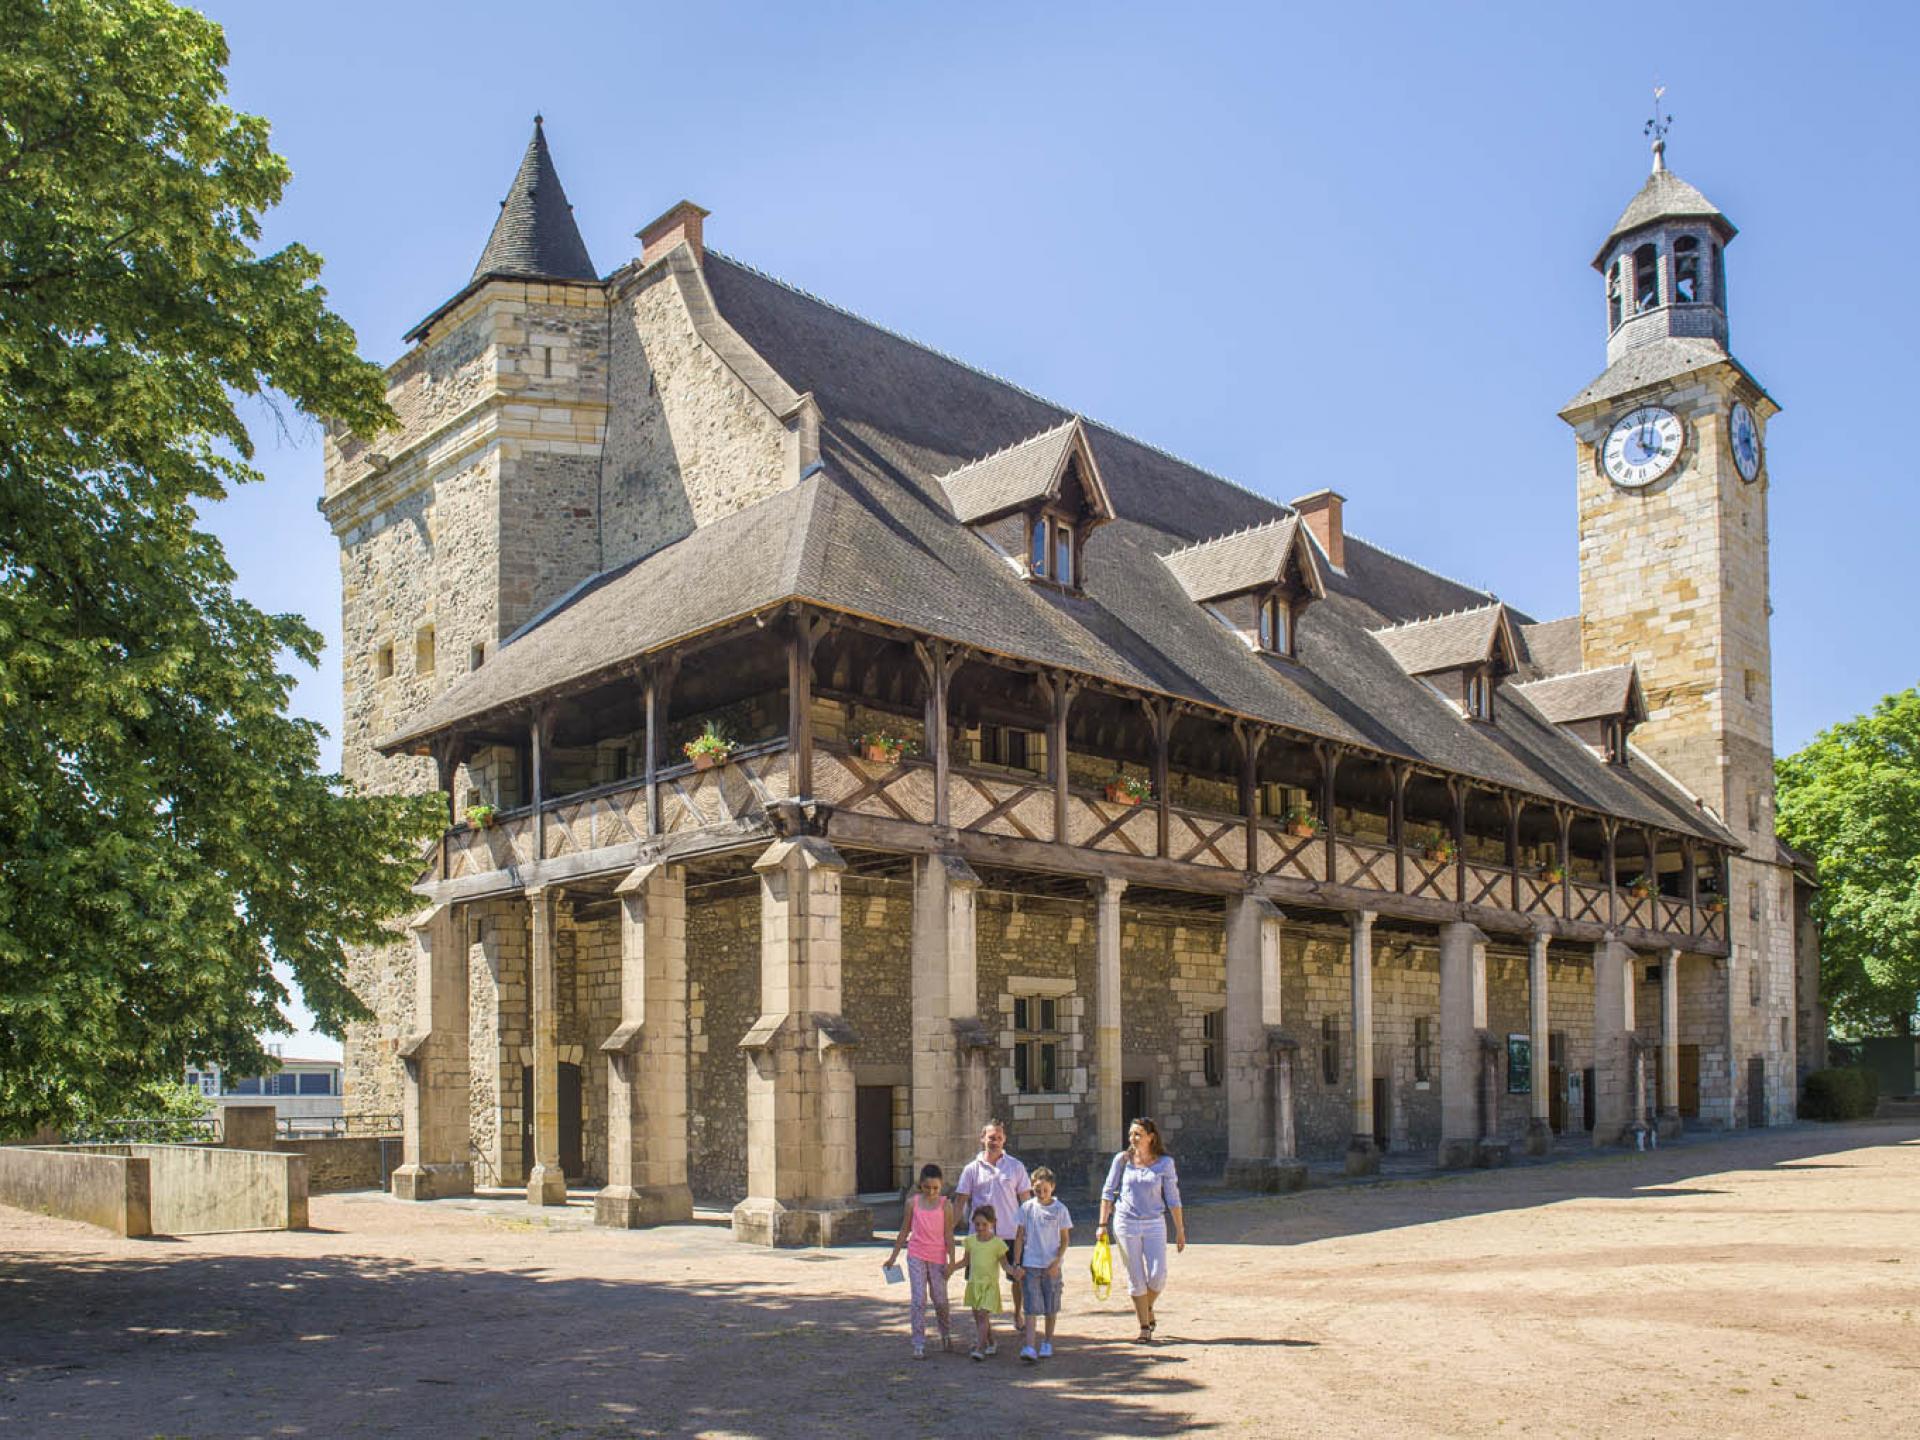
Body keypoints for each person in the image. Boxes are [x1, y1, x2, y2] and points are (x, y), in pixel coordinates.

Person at [1097, 1116, 1186, 1344]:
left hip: (1154, 1222)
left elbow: (1173, 1197)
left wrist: (1180, 1229)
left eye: (1138, 1134)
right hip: (1126, 1222)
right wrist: (1102, 1224)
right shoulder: (1122, 1160)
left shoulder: (1165, 1163)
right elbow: (1108, 1192)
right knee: (1135, 1276)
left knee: (1158, 1276)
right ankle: (1144, 1326)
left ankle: (1146, 1307)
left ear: (1151, 1137)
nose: (1133, 1138)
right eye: (1131, 1134)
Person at [954, 1120, 1032, 1328]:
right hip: (979, 1235)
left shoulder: (1016, 1166)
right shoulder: (971, 1169)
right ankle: (984, 1329)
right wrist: (947, 1231)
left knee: (1016, 1277)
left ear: (1004, 1139)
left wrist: (1031, 1229)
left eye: (998, 1138)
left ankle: (1017, 1313)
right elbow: (960, 1201)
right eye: (991, 1138)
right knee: (979, 1281)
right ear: (982, 1139)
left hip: (1010, 1232)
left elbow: (1026, 1200)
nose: (994, 1142)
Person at [883, 1162, 955, 1358]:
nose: (931, 1192)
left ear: (940, 1187)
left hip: (938, 1256)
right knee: (918, 1299)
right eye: (927, 1187)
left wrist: (952, 1262)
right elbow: (904, 1230)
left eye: (935, 1188)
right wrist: (893, 1257)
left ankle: (945, 1332)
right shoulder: (912, 1203)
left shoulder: (945, 1205)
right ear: (920, 1185)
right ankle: (918, 1342)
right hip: (916, 1254)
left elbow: (949, 1234)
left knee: (940, 1299)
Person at [1012, 1166, 1073, 1362]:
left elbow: (1064, 1239)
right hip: (1031, 1263)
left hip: (1051, 1265)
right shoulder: (1027, 1208)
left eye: (1045, 1189)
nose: (1041, 1193)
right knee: (1030, 1306)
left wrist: (1057, 1261)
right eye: (1037, 1189)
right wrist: (1017, 1262)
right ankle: (1030, 1346)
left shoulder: (1060, 1209)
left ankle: (1047, 1341)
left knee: (1050, 1305)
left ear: (1052, 1187)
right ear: (1032, 1187)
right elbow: (1020, 1236)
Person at [958, 1203, 1022, 1360]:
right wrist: (950, 1268)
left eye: (984, 1224)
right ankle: (991, 1342)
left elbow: (1005, 1264)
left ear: (992, 1223)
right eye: (977, 1224)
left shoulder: (998, 1244)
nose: (980, 1227)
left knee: (982, 1315)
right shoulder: (970, 1241)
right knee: (979, 1317)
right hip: (973, 1285)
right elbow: (965, 1261)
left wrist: (1014, 1271)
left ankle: (980, 1348)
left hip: (989, 1286)